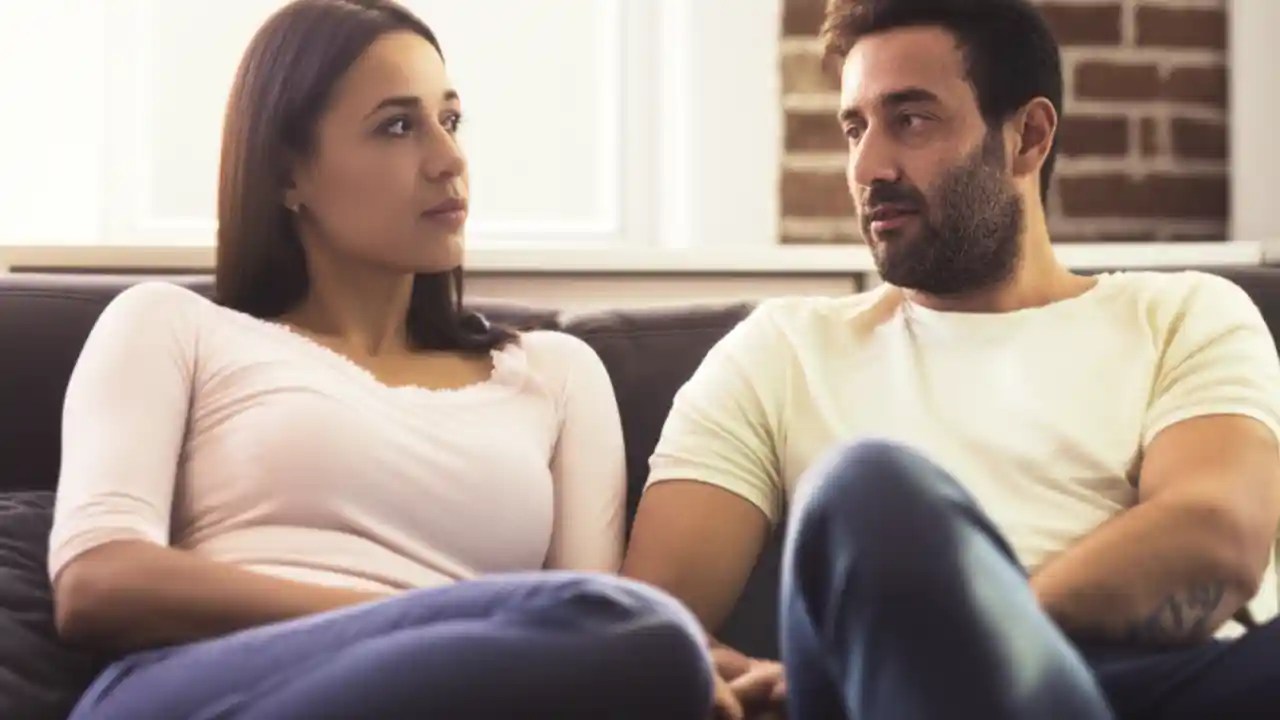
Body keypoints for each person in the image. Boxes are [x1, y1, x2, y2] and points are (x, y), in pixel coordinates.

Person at [46, 1, 713, 718]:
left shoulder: (554, 375)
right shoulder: (173, 326)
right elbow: (97, 582)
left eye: (449, 122)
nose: (448, 160)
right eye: (397, 126)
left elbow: (591, 637)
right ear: (286, 175)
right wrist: (433, 617)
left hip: (455, 691)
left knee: (647, 646)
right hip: (205, 687)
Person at [622, 0, 1280, 718]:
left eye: (911, 119)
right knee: (865, 487)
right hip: (883, 684)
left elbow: (1219, 533)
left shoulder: (1183, 313)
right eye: (855, 127)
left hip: (1161, 688)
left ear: (1028, 137)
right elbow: (650, 626)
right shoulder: (779, 351)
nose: (869, 166)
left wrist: (972, 639)